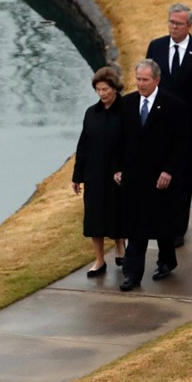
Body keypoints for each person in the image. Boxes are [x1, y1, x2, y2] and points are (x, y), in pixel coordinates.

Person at [146, 2, 192, 247]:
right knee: (159, 173)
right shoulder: (156, 47)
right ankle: (160, 219)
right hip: (159, 125)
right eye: (170, 22)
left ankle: (178, 227)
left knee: (183, 175)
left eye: (178, 23)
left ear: (189, 25)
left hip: (189, 126)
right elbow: (147, 84)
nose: (173, 27)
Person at [113, 59, 191, 290]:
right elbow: (119, 139)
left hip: (161, 178)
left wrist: (169, 170)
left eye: (145, 80)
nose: (141, 84)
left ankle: (167, 260)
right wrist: (117, 168)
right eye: (138, 79)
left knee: (162, 225)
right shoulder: (126, 104)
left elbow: (181, 143)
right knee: (136, 228)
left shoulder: (174, 106)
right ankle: (132, 274)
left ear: (157, 80)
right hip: (135, 178)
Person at [72, 66, 125, 277]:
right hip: (94, 172)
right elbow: (83, 144)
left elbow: (131, 142)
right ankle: (99, 259)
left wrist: (124, 169)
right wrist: (77, 176)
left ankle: (120, 246)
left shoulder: (126, 110)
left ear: (114, 88)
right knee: (94, 218)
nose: (102, 94)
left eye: (105, 89)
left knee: (116, 214)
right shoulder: (91, 113)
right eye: (98, 90)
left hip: (116, 173)